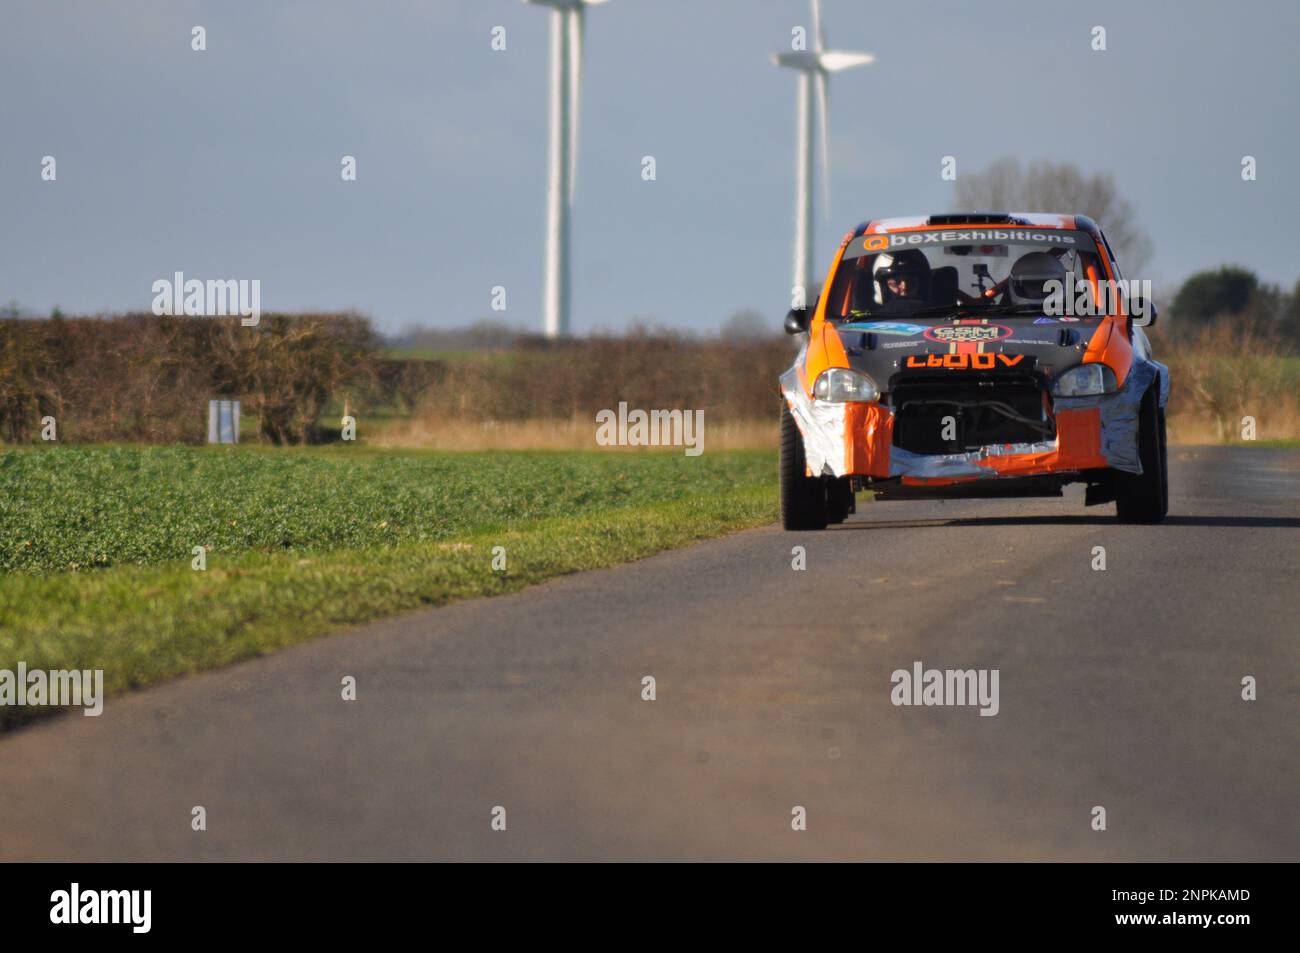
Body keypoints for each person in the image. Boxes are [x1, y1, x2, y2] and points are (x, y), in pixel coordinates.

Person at [874, 250, 931, 314]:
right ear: (882, 288)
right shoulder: (867, 321)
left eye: (911, 282)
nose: (904, 287)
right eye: (896, 282)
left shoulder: (937, 317)